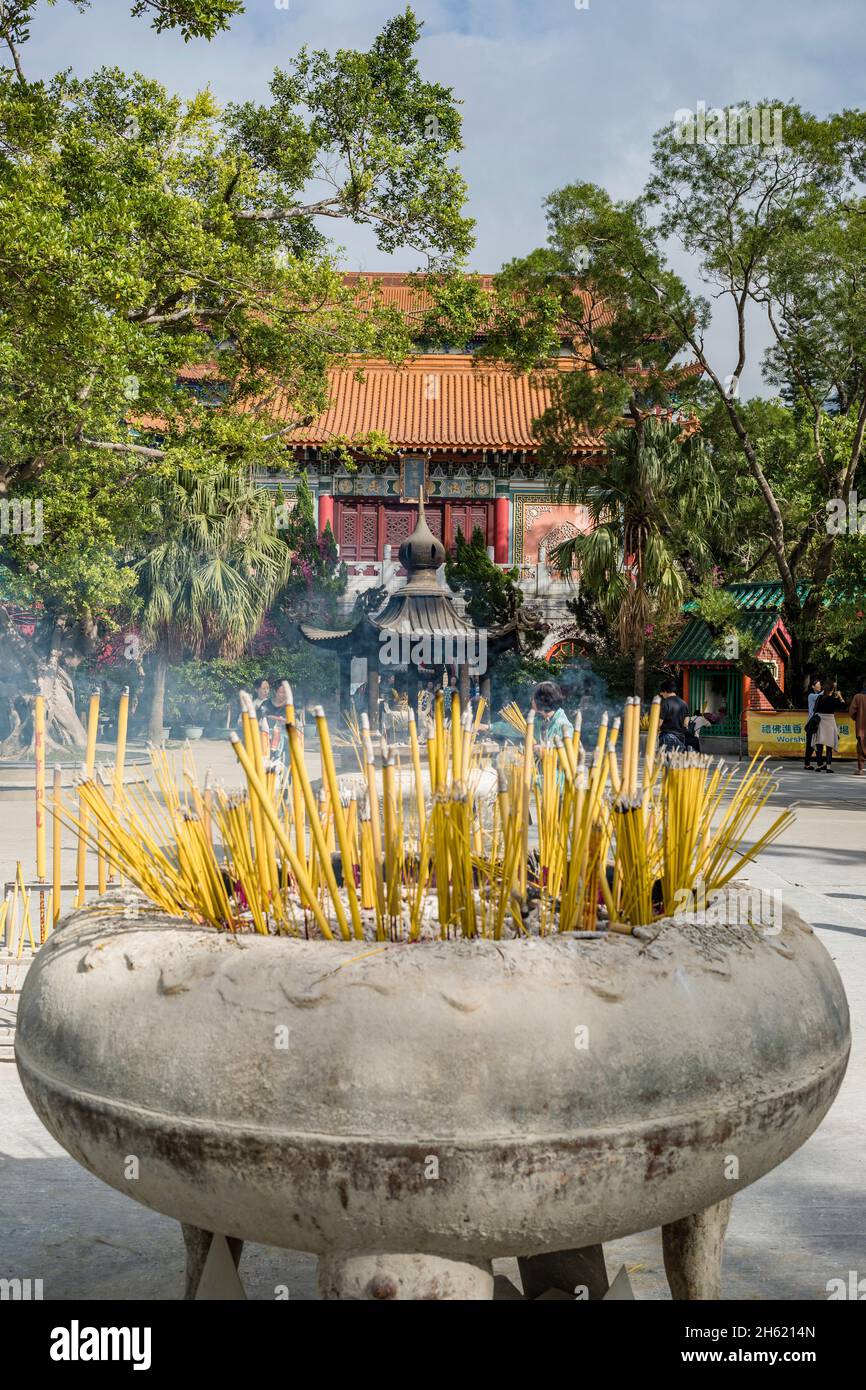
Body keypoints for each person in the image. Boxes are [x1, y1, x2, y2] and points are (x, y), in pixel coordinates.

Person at [531, 681, 574, 747]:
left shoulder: (563, 725)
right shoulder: (538, 720)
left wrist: (543, 750)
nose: (532, 700)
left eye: (533, 698)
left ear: (542, 700)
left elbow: (567, 754)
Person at [814, 680, 844, 773]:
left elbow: (815, 709)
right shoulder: (833, 699)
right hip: (830, 723)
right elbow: (843, 705)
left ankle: (819, 765)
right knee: (829, 746)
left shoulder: (819, 697)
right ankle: (828, 767)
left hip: (820, 722)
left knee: (819, 745)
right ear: (832, 690)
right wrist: (840, 696)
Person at [658, 678, 690, 752]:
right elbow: (686, 722)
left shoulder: (665, 703)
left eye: (661, 692)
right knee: (677, 761)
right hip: (681, 737)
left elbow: (659, 723)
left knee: (667, 761)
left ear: (665, 691)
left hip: (667, 736)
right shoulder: (683, 703)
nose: (661, 694)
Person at [804, 676, 823, 770]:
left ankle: (819, 763)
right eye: (818, 685)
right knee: (810, 744)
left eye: (820, 685)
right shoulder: (811, 696)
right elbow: (821, 696)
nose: (820, 686)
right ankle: (807, 764)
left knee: (815, 743)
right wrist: (830, 689)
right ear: (813, 686)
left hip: (816, 723)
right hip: (812, 722)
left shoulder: (818, 696)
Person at [848, 677, 866, 775]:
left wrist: (857, 718)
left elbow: (851, 712)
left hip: (861, 727)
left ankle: (860, 769)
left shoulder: (858, 697)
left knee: (860, 747)